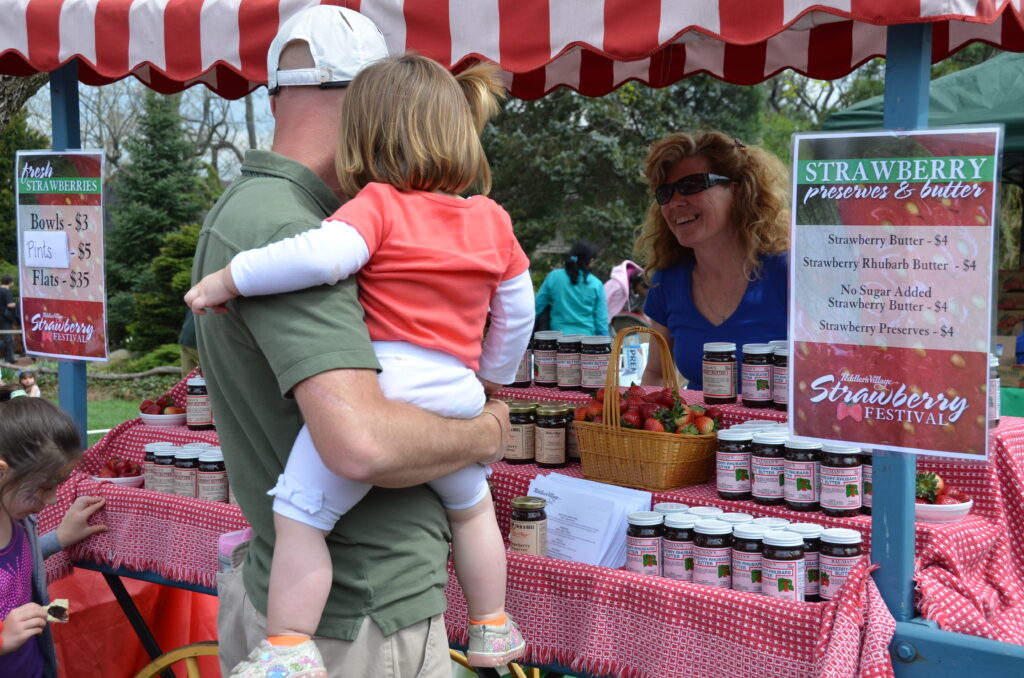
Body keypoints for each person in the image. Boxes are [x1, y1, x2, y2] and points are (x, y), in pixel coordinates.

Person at [189, 7, 514, 678]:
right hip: (357, 620)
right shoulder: (285, 226)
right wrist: (486, 433)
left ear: (276, 95)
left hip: (345, 606)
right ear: (370, 103)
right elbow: (361, 443)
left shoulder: (278, 212)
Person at [634, 131, 789, 390]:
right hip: (698, 430)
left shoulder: (787, 272)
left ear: (737, 191)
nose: (675, 202)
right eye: (665, 193)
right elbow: (656, 374)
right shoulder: (668, 280)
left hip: (777, 431)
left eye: (691, 185)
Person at [0, 385, 108, 678]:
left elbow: (18, 561)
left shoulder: (20, 520)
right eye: (45, 486)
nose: (52, 499)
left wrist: (60, 537)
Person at [534, 241, 609, 336]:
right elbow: (601, 320)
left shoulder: (554, 277)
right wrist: (604, 342)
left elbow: (538, 306)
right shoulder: (596, 284)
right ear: (590, 261)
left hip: (557, 340)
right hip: (587, 341)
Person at [1, 274, 16, 364]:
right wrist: (18, 304)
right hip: (5, 317)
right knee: (8, 338)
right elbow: (10, 304)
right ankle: (9, 359)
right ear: (10, 282)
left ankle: (8, 358)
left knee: (5, 337)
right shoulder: (7, 292)